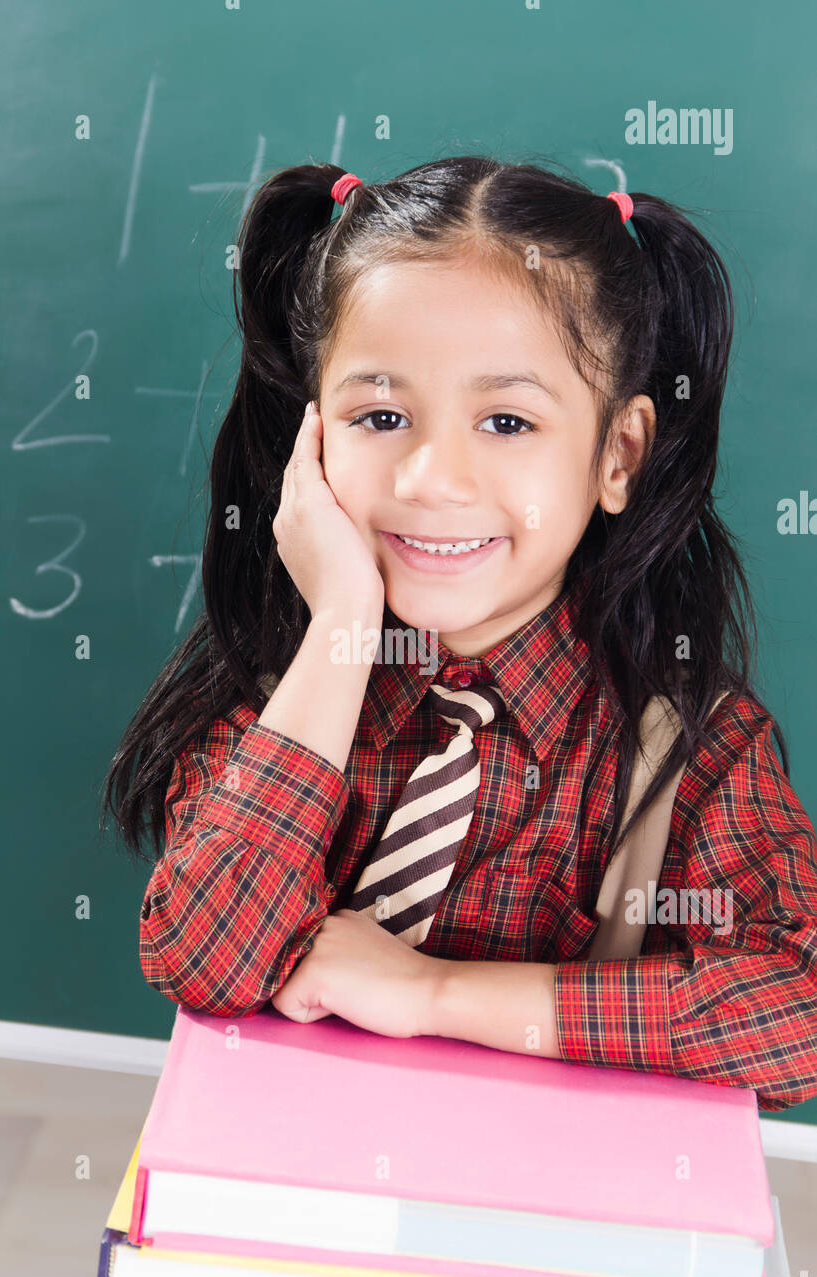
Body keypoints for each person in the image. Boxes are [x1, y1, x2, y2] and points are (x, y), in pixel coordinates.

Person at [100, 155, 817, 1112]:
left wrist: (432, 995)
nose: (434, 478)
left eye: (508, 421)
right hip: (289, 1208)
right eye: (381, 415)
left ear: (617, 453)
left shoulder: (694, 746)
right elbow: (205, 956)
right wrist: (344, 630)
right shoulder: (281, 695)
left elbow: (798, 1011)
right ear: (314, 439)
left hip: (550, 1236)